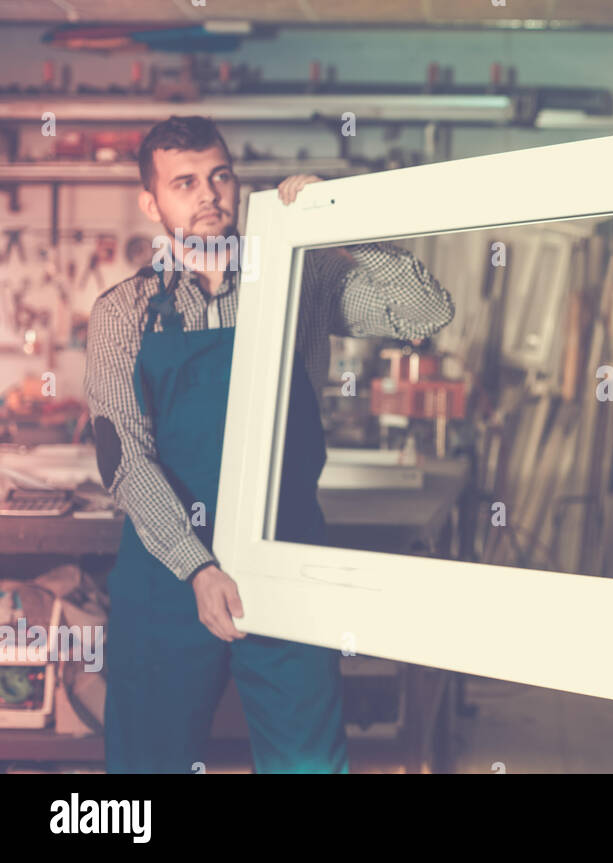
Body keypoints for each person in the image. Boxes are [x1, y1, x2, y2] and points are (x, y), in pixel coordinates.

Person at [85, 115, 455, 773]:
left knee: (307, 762)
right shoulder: (123, 314)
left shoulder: (297, 282)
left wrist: (341, 217)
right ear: (152, 203)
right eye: (185, 182)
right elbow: (124, 460)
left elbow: (423, 313)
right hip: (167, 577)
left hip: (285, 559)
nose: (208, 195)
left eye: (219, 175)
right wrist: (197, 567)